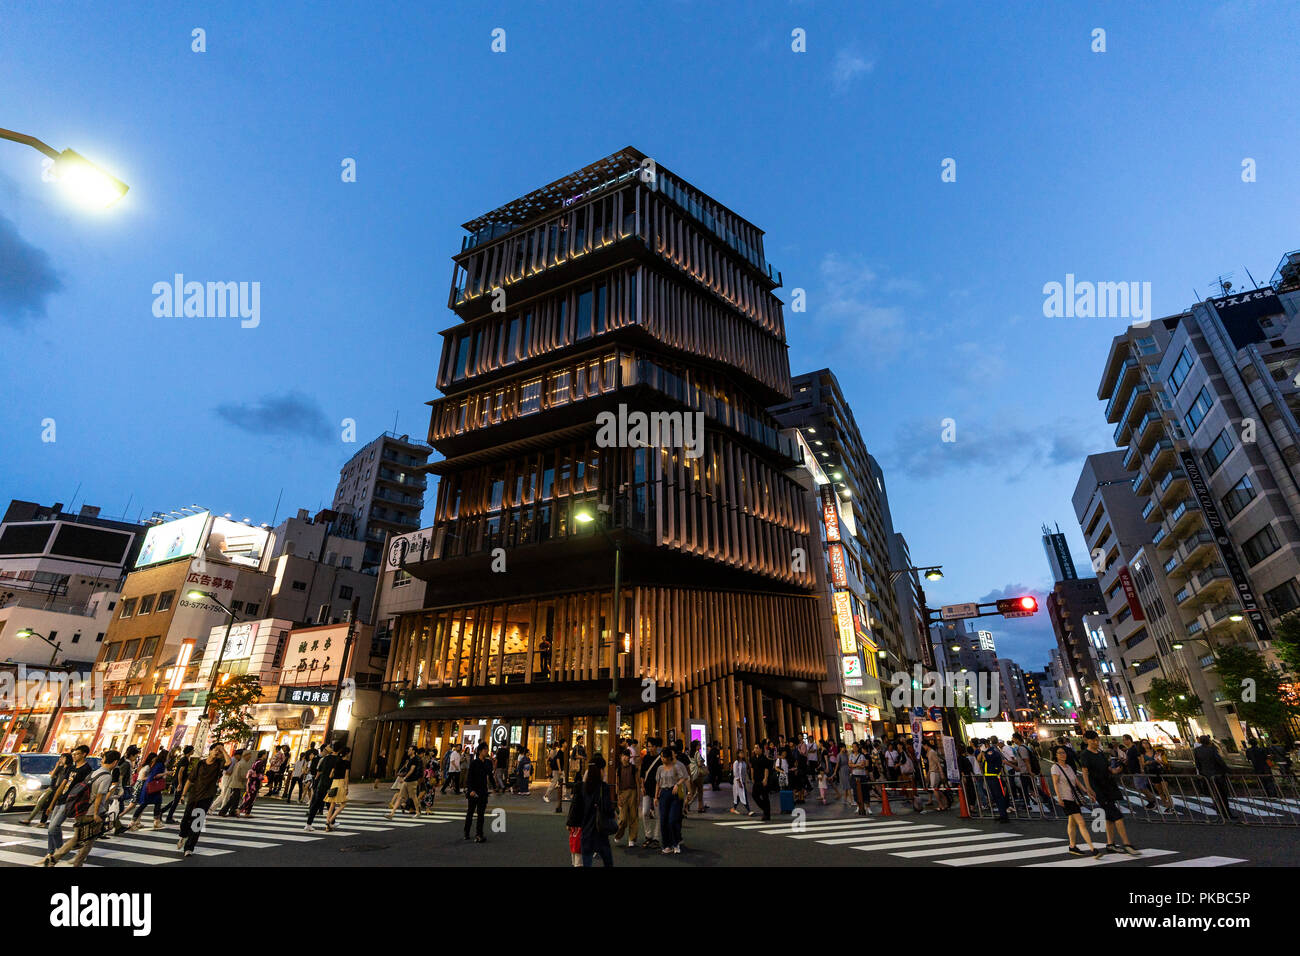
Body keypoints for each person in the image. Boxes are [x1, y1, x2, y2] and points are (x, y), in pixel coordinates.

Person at [44, 749, 121, 867]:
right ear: (115, 762)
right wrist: (96, 814)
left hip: (81, 810)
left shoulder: (94, 772)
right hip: (91, 813)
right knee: (88, 843)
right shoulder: (106, 776)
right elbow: (100, 795)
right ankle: (76, 864)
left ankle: (54, 858)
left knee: (76, 838)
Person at [1079, 730, 1140, 854]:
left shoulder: (1100, 753)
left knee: (1109, 817)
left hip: (1108, 785)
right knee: (1116, 815)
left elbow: (1107, 768)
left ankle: (1110, 844)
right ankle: (1127, 844)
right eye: (1093, 740)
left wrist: (1115, 770)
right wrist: (1089, 789)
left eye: (1097, 740)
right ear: (1087, 741)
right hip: (1098, 788)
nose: (1096, 742)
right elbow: (1085, 772)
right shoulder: (1085, 754)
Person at [1049, 745, 1104, 859]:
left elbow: (1076, 782)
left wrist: (1087, 792)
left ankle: (1072, 846)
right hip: (1066, 798)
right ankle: (1093, 849)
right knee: (1081, 823)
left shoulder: (1068, 767)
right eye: (1059, 753)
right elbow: (1055, 784)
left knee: (1072, 822)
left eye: (1064, 752)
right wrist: (1059, 798)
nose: (1063, 755)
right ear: (1055, 755)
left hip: (1073, 798)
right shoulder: (1055, 767)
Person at [177, 743, 229, 858]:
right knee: (185, 820)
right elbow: (190, 780)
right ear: (210, 750)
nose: (217, 752)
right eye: (216, 749)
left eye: (219, 751)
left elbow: (229, 763)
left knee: (197, 823)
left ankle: (189, 848)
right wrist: (183, 794)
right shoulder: (200, 763)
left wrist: (223, 750)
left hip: (206, 797)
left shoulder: (219, 764)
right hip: (194, 796)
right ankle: (183, 835)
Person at [44, 745, 94, 861]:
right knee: (51, 829)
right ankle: (51, 852)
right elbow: (62, 785)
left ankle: (61, 850)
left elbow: (84, 788)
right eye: (73, 754)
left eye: (77, 754)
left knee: (53, 827)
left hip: (70, 801)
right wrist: (52, 803)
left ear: (84, 754)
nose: (74, 756)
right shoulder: (71, 768)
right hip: (61, 799)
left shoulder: (86, 769)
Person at [567, 763, 616, 866]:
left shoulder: (583, 787)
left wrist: (571, 822)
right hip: (600, 830)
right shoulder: (603, 787)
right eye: (603, 770)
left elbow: (576, 808)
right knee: (607, 860)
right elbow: (608, 808)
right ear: (600, 772)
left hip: (586, 830)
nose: (604, 773)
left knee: (587, 860)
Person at [655, 741, 689, 854]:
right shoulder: (660, 768)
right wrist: (656, 797)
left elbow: (684, 777)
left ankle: (675, 843)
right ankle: (666, 845)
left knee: (672, 820)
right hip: (663, 794)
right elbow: (658, 783)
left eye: (663, 757)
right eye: (661, 757)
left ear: (669, 757)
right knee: (663, 820)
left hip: (674, 794)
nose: (662, 759)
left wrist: (677, 785)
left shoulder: (676, 766)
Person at [1193, 735, 1236, 820]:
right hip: (1217, 774)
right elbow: (1219, 761)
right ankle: (1226, 813)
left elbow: (1197, 764)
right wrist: (1228, 770)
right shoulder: (1212, 749)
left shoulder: (1196, 750)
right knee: (1222, 794)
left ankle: (1219, 811)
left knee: (1214, 794)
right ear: (1208, 741)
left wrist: (1201, 773)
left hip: (1206, 775)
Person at [24, 752, 72, 827]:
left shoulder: (69, 769)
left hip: (59, 789)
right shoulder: (60, 767)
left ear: (68, 759)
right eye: (61, 757)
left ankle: (44, 822)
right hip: (52, 788)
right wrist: (57, 766)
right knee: (44, 803)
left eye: (63, 758)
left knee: (52, 806)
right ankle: (36, 820)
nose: (61, 759)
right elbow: (52, 776)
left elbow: (63, 781)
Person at [128, 750, 169, 830]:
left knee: (154, 803)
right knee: (146, 803)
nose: (168, 757)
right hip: (152, 786)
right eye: (168, 755)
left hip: (151, 786)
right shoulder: (159, 765)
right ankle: (133, 822)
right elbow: (155, 775)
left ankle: (155, 821)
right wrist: (166, 773)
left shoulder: (157, 764)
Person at [304, 742, 338, 831]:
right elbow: (321, 772)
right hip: (326, 784)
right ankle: (331, 822)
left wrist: (316, 781)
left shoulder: (325, 758)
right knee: (328, 803)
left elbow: (319, 772)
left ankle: (309, 824)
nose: (327, 747)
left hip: (321, 784)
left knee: (321, 804)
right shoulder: (333, 759)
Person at [463, 742, 492, 842]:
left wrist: (495, 787)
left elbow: (490, 776)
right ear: (480, 751)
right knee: (470, 812)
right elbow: (469, 778)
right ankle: (466, 832)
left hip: (483, 791)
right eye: (485, 750)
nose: (487, 751)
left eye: (487, 749)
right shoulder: (474, 763)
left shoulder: (488, 763)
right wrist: (470, 790)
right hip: (474, 791)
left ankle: (479, 834)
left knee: (481, 814)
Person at [1121, 734, 1159, 810]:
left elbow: (1139, 759)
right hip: (1134, 770)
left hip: (1138, 770)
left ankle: (1153, 801)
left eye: (1124, 739)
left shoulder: (1134, 748)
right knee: (1141, 787)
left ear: (1129, 740)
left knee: (1141, 786)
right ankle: (1151, 801)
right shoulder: (1129, 749)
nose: (1123, 741)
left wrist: (1142, 769)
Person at [639, 738, 665, 847]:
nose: (649, 748)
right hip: (647, 789)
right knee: (645, 812)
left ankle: (656, 838)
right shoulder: (646, 758)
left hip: (657, 790)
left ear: (655, 746)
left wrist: (660, 790)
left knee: (658, 814)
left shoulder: (660, 759)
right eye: (648, 746)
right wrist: (642, 785)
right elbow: (642, 773)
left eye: (650, 746)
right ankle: (648, 836)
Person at [613, 749, 641, 846]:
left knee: (633, 817)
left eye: (627, 756)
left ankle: (632, 839)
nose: (625, 758)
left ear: (629, 758)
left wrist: (638, 797)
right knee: (623, 818)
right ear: (621, 757)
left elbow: (637, 783)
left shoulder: (634, 768)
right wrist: (618, 796)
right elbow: (617, 783)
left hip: (633, 792)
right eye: (624, 756)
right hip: (622, 793)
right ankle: (619, 835)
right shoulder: (619, 769)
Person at [387, 745, 425, 819]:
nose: (408, 751)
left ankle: (417, 812)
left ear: (413, 751)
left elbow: (412, 770)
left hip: (412, 781)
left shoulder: (415, 759)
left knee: (414, 797)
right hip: (407, 781)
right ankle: (392, 814)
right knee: (400, 797)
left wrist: (405, 777)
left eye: (410, 750)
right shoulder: (410, 759)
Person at [979, 736, 1010, 822]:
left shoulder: (992, 751)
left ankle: (1004, 816)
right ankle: (1001, 814)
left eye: (982, 745)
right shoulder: (988, 751)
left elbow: (987, 759)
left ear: (986, 744)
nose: (981, 747)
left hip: (995, 776)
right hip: (989, 776)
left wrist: (983, 752)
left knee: (999, 796)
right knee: (995, 797)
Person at [163, 745, 195, 823]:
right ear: (190, 751)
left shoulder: (185, 759)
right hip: (178, 782)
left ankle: (163, 812)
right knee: (176, 799)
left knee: (176, 799)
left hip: (178, 781)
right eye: (192, 750)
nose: (193, 751)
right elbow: (180, 772)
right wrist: (180, 783)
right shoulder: (185, 760)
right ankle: (168, 817)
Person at [324, 745, 351, 831]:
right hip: (341, 783)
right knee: (343, 804)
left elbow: (331, 775)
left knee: (332, 803)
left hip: (334, 783)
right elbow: (346, 776)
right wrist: (346, 787)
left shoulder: (337, 761)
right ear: (347, 754)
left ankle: (327, 825)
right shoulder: (347, 763)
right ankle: (331, 820)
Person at [218, 748, 252, 817]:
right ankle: (223, 811)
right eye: (249, 756)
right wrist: (247, 777)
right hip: (237, 783)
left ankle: (231, 812)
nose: (250, 757)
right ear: (245, 756)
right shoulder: (242, 763)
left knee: (235, 799)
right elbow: (241, 775)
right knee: (233, 798)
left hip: (235, 783)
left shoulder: (240, 762)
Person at [750, 743, 774, 822]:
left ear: (761, 749)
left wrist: (765, 779)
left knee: (765, 797)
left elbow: (766, 769)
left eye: (757, 748)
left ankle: (767, 815)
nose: (755, 749)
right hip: (756, 780)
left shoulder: (764, 758)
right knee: (754, 795)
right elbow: (752, 768)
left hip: (763, 780)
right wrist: (752, 778)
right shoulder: (753, 758)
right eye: (754, 748)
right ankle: (765, 809)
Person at [923, 741, 949, 811]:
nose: (923, 747)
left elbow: (937, 763)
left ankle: (941, 805)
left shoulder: (932, 752)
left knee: (935, 789)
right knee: (936, 789)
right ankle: (944, 803)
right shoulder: (930, 752)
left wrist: (941, 773)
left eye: (924, 746)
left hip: (934, 772)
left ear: (926, 745)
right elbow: (932, 765)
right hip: (933, 772)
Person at [543, 741, 566, 811]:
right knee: (554, 783)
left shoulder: (561, 751)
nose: (566, 744)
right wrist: (559, 769)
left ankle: (563, 796)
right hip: (557, 770)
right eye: (565, 743)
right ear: (563, 744)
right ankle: (545, 795)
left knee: (563, 782)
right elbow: (558, 760)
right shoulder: (559, 752)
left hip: (560, 770)